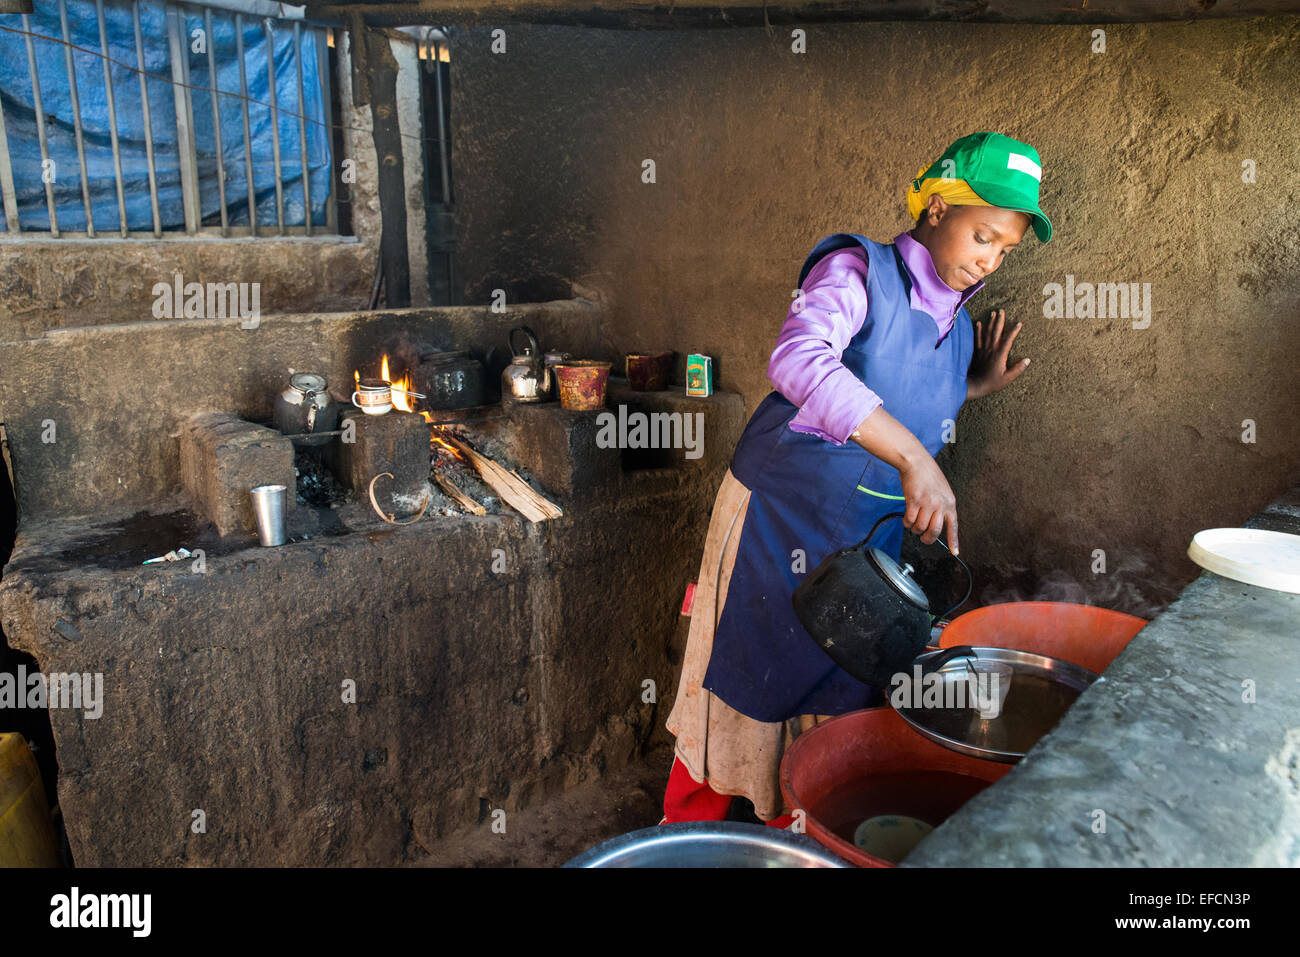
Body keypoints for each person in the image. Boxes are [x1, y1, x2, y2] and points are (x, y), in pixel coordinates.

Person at [662, 131, 1053, 827]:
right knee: (741, 687)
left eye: (1004, 248)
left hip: (864, 545)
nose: (990, 258)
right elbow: (800, 360)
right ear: (936, 207)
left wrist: (974, 387)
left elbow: (909, 397)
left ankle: (796, 832)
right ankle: (686, 833)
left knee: (833, 691)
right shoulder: (856, 270)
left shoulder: (959, 330)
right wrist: (914, 459)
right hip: (780, 517)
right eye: (982, 234)